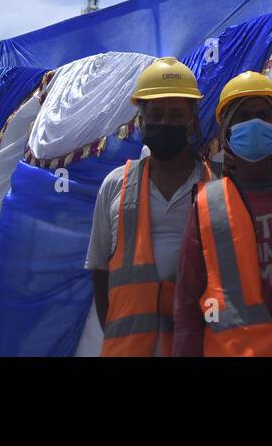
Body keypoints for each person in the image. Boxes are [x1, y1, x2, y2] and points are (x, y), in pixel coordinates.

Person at [172, 71, 272, 356]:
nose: (255, 123)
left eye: (263, 114)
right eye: (244, 115)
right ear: (227, 132)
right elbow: (188, 302)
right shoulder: (206, 204)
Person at [87, 56, 213, 356]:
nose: (165, 123)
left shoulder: (217, 185)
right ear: (140, 120)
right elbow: (99, 271)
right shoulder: (115, 185)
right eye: (155, 113)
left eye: (176, 114)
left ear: (192, 120)